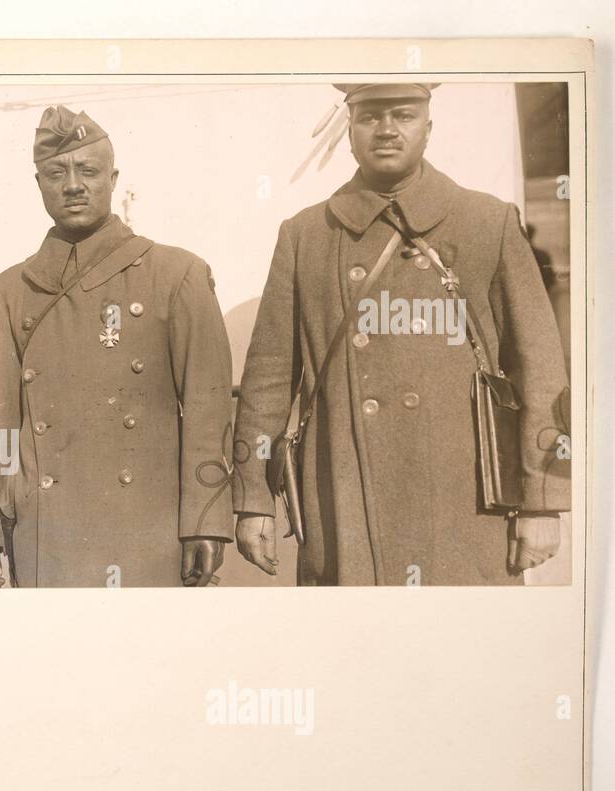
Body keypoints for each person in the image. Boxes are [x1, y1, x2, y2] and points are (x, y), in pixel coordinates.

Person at [232, 83, 570, 585]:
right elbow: (268, 379)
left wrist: (542, 503)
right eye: (370, 116)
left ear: (428, 128)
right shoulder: (304, 235)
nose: (387, 129)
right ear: (349, 132)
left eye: (404, 115)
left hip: (466, 501)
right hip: (341, 494)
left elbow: (539, 368)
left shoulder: (488, 222)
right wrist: (253, 500)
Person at [0, 105, 234, 588]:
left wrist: (205, 519)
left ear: (113, 178)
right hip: (45, 531)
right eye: (56, 173)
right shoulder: (8, 291)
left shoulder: (176, 275)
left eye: (87, 171)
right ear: (38, 183)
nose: (72, 185)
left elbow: (207, 409)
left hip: (149, 530)